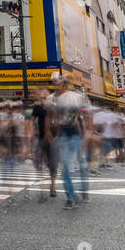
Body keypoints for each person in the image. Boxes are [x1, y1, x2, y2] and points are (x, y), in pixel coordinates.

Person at [48, 72, 89, 209]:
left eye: (57, 83)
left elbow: (84, 115)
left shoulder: (74, 97)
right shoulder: (52, 99)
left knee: (80, 165)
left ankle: (83, 191)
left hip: (76, 134)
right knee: (66, 168)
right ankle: (71, 197)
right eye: (53, 83)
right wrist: (55, 135)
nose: (55, 86)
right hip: (64, 135)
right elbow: (56, 118)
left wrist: (88, 132)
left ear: (63, 84)